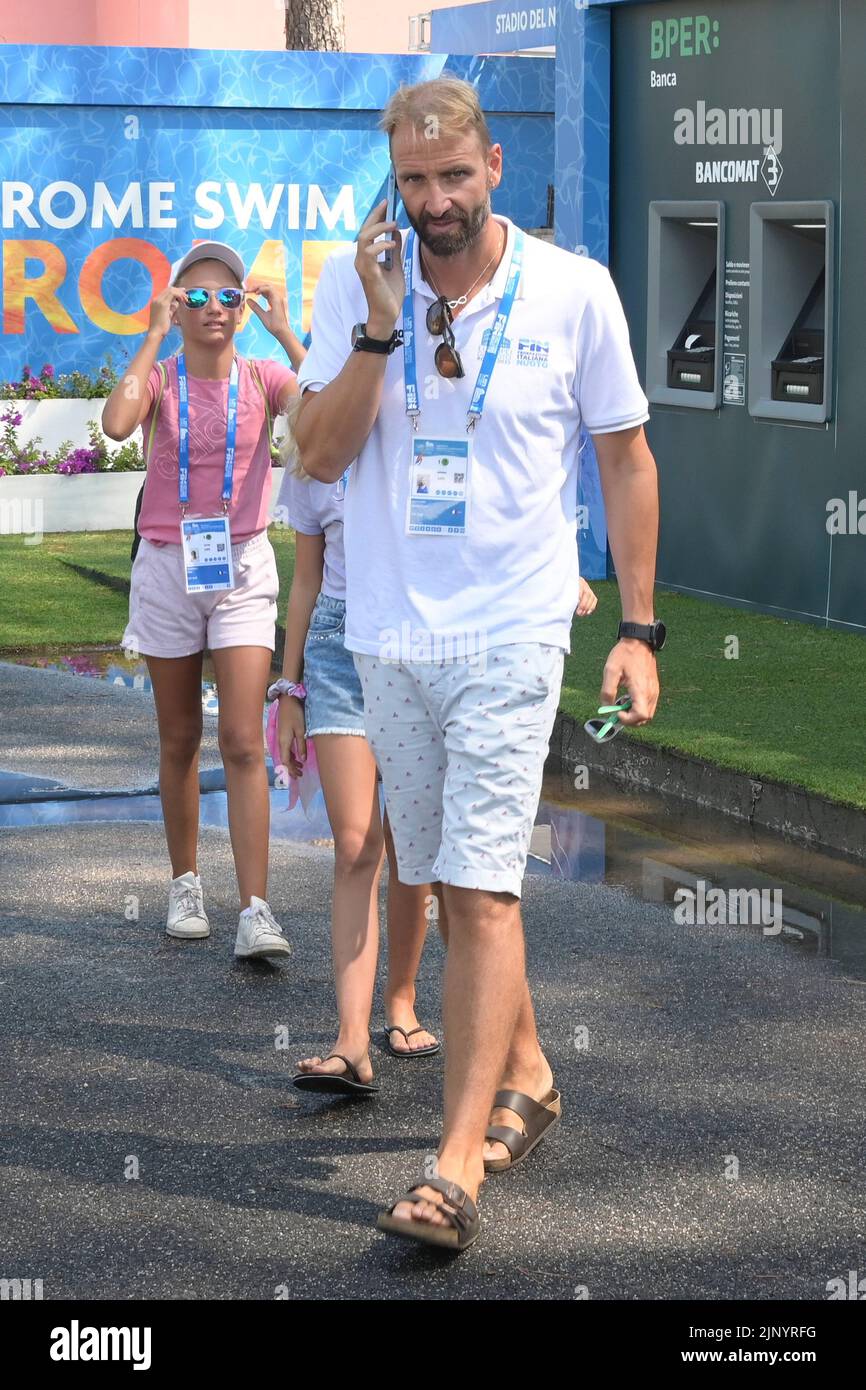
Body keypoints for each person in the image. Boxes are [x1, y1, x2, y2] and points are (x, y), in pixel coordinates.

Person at [293, 76, 661, 1249]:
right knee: (451, 882)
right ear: (392, 181)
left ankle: (452, 1166)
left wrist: (637, 628)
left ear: (492, 167)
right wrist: (377, 322)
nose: (434, 201)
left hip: (513, 627)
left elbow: (626, 460)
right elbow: (316, 455)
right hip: (391, 633)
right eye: (412, 181)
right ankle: (533, 1073)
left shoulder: (571, 291)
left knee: (485, 888)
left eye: (453, 177)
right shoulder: (353, 289)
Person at [102, 241, 305, 960]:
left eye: (227, 296)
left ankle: (256, 908)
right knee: (181, 738)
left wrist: (284, 329)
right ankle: (185, 883)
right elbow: (117, 425)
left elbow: (328, 408)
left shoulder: (263, 374)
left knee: (245, 740)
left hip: (243, 564)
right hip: (166, 564)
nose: (212, 308)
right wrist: (153, 334)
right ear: (176, 306)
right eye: (195, 297)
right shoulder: (160, 375)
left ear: (242, 309)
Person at [268, 444, 439, 1095]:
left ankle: (400, 999)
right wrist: (290, 689)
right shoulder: (316, 459)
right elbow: (306, 579)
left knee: (410, 845)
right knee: (355, 843)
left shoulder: (424, 424)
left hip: (415, 637)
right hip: (337, 646)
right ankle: (349, 1042)